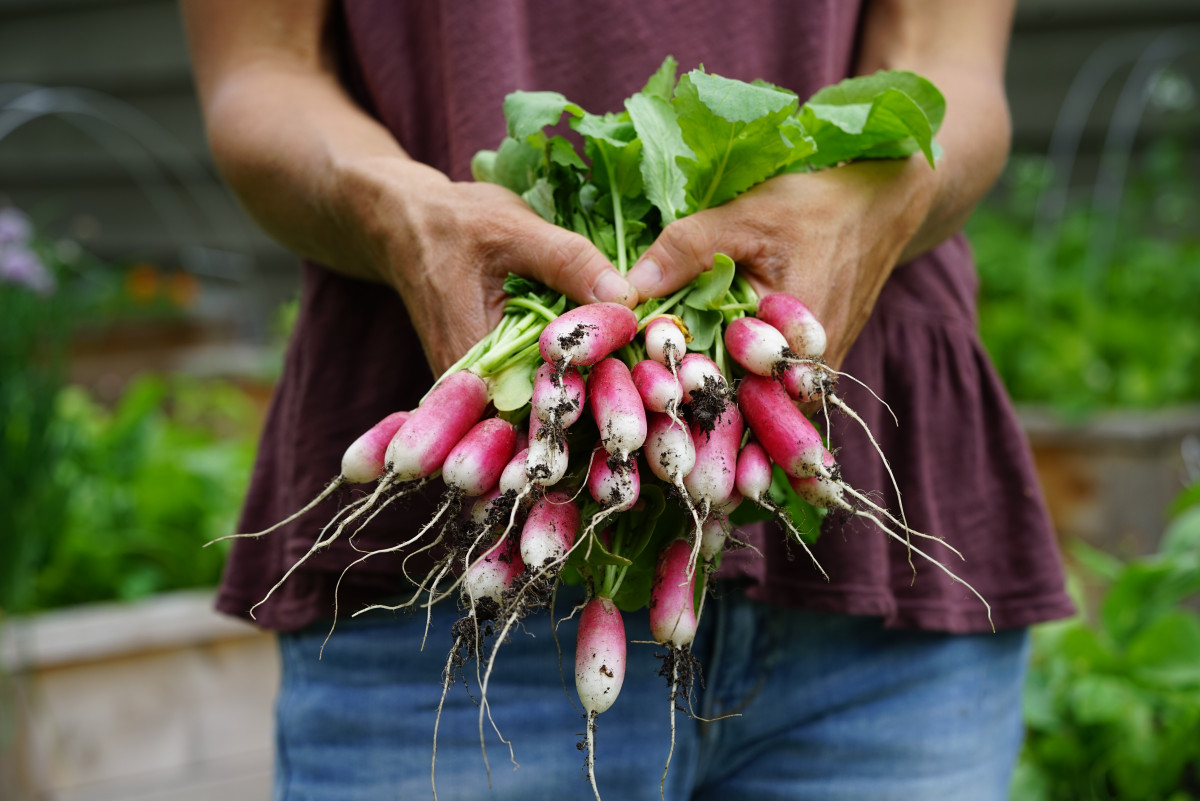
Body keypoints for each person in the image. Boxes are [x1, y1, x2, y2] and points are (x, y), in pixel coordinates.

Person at [180, 1, 1074, 799]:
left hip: (881, 580)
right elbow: (263, 70)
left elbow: (951, 74)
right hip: (434, 594)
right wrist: (400, 209)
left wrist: (876, 194)